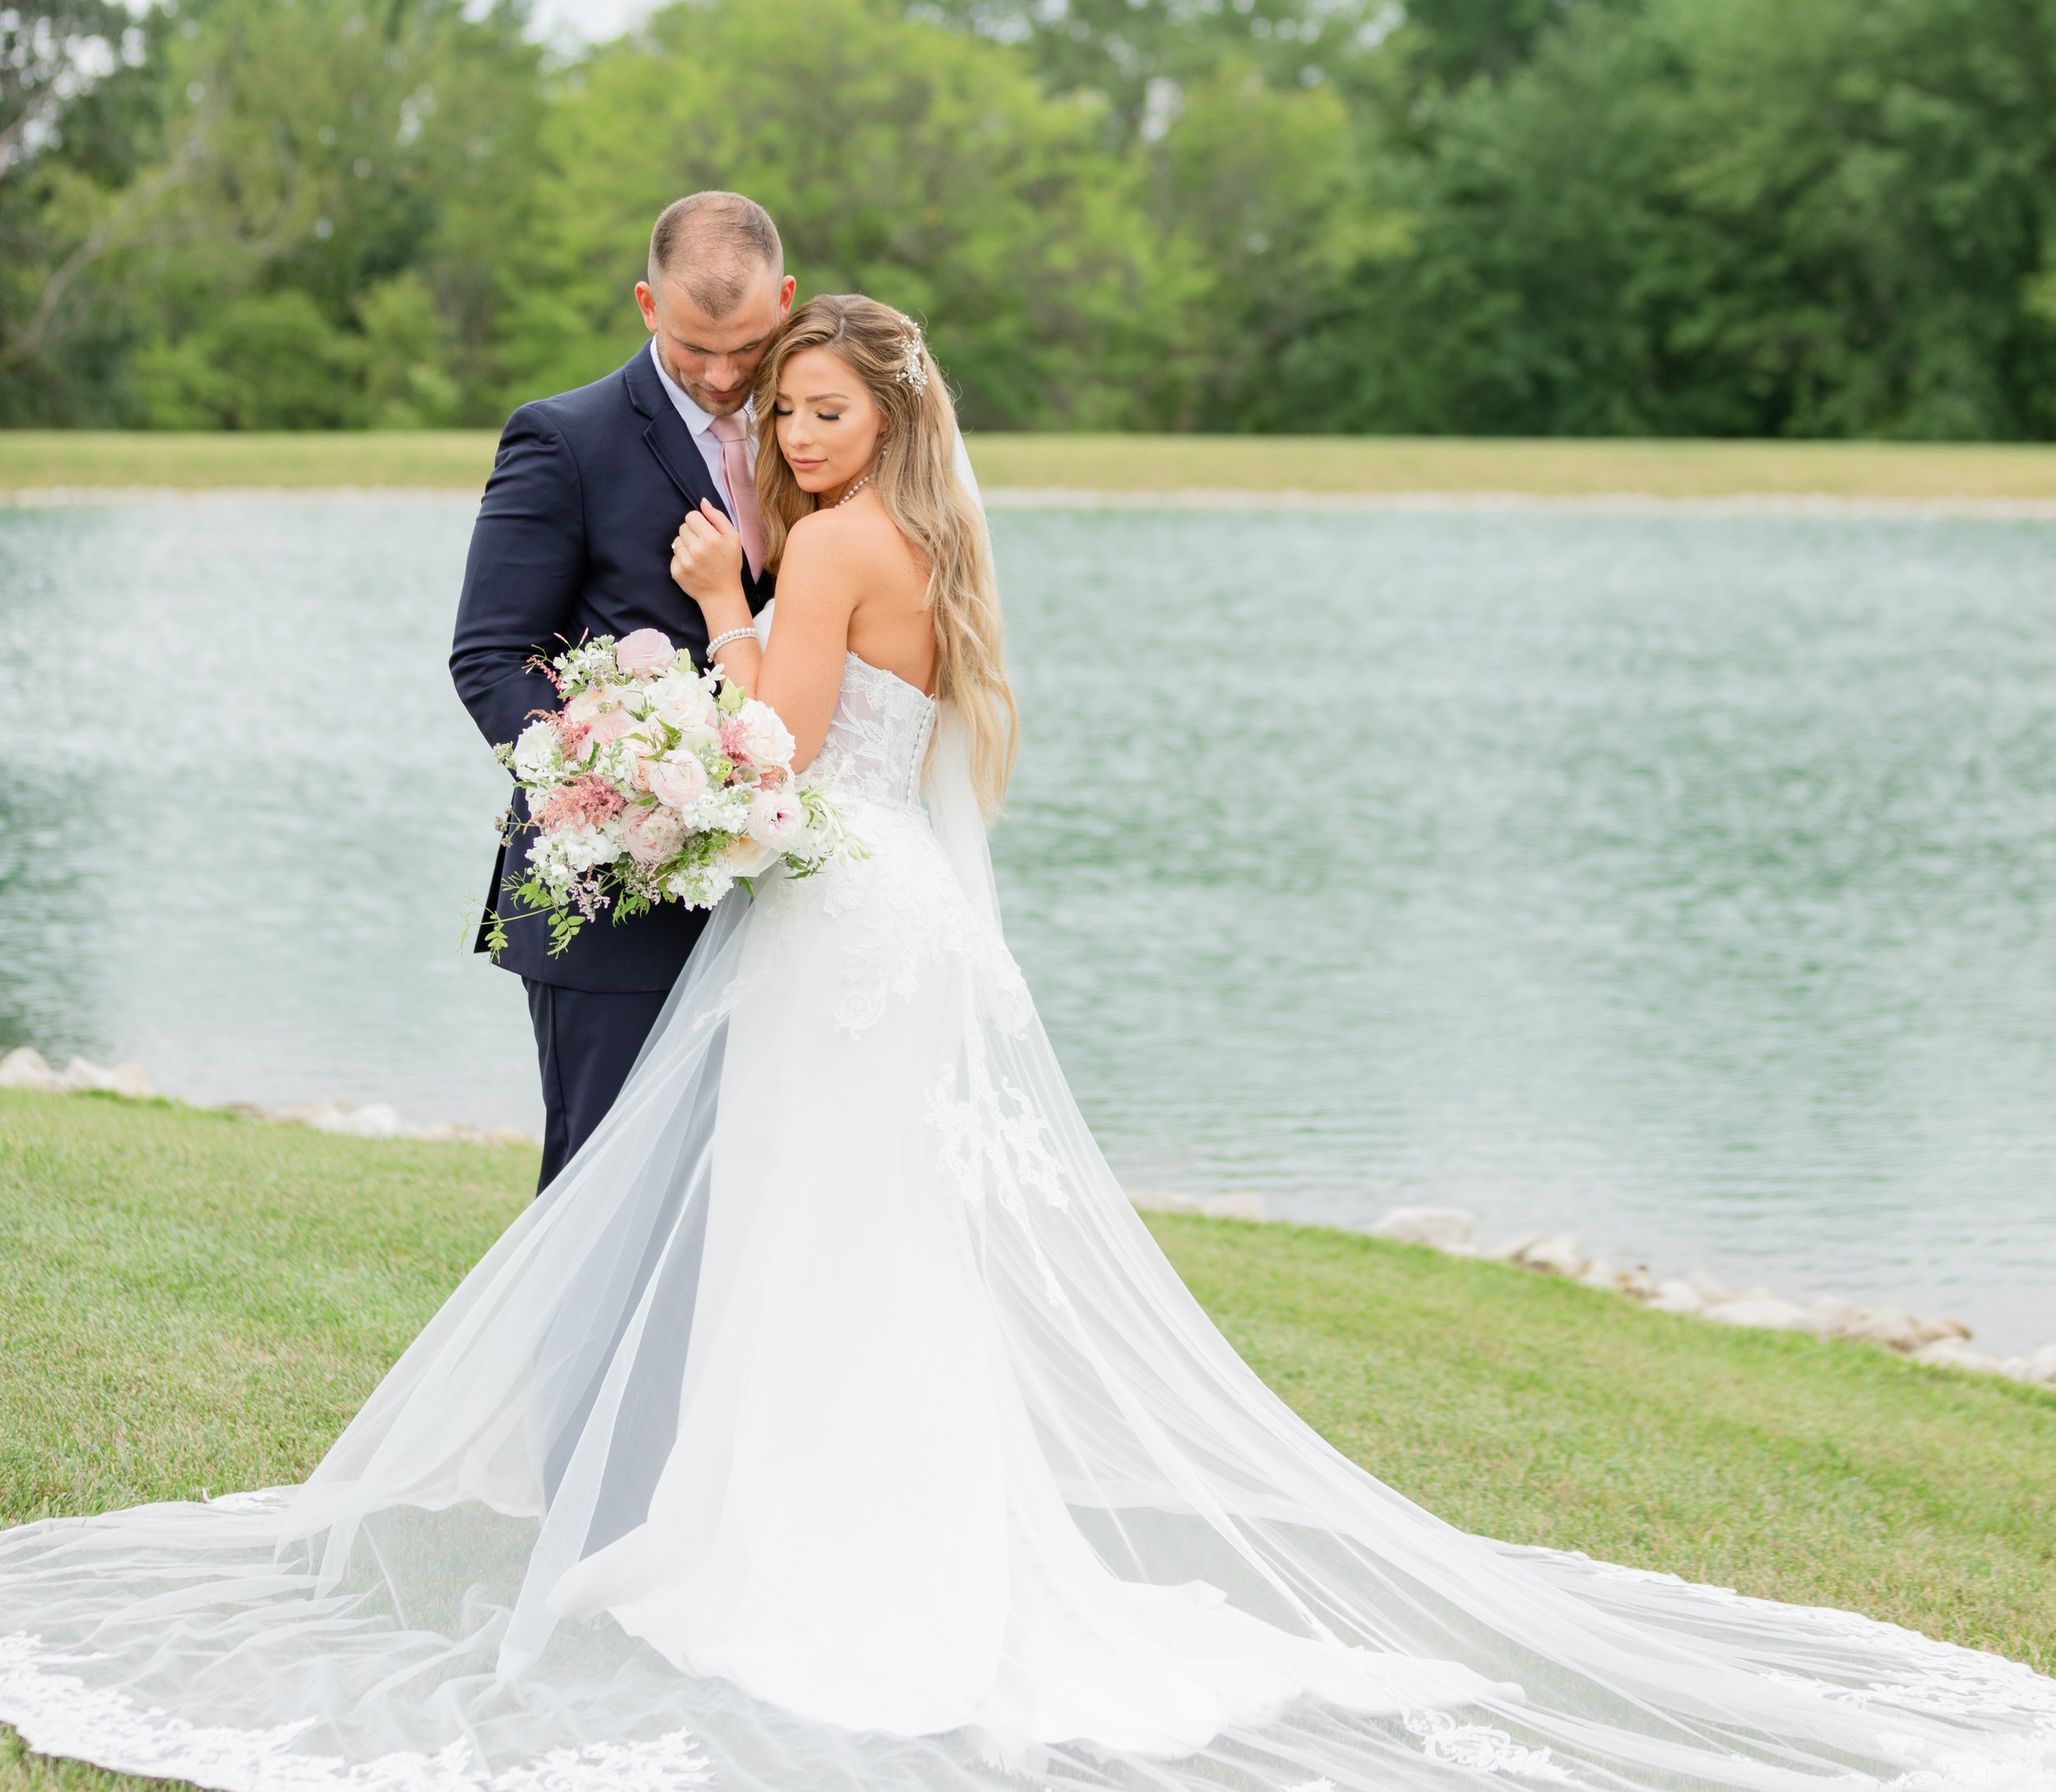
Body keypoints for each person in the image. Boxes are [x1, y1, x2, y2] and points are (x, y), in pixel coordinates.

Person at [2, 297, 2054, 1792]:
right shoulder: (942, 543)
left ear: (883, 408)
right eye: (779, 410)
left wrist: (714, 605)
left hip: (837, 935)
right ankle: (863, 1532)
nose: (794, 436)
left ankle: (803, 1567)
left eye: (820, 406)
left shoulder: (848, 542)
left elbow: (772, 750)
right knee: (875, 1255)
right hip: (900, 929)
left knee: (821, 1246)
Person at [449, 188, 792, 1186]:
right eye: (694, 348)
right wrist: (604, 790)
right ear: (647, 305)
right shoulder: (563, 439)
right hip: (608, 900)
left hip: (775, 897)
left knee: (747, 1202)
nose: (725, 377)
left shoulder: (822, 432)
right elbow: (489, 657)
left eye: (746, 347)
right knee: (603, 1191)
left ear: (787, 300)